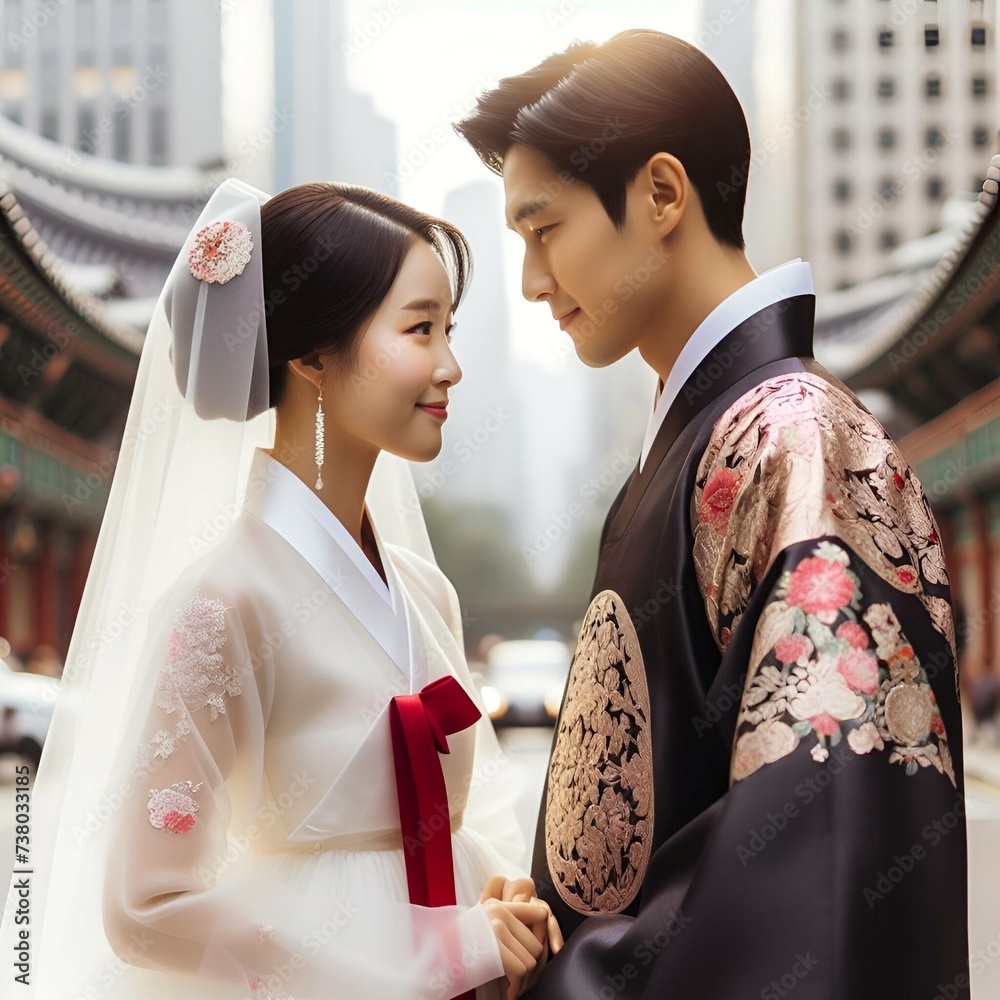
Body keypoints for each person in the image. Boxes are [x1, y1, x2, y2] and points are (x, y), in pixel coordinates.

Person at [457, 29, 969, 998]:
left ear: (660, 194)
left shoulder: (798, 441)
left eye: (544, 229)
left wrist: (573, 975)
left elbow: (813, 847)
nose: (530, 281)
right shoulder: (705, 440)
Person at [0, 178, 560, 1000]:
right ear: (309, 355)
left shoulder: (424, 590)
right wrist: (427, 962)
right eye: (419, 329)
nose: (450, 365)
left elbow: (458, 831)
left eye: (448, 329)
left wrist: (497, 906)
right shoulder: (223, 603)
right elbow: (143, 904)